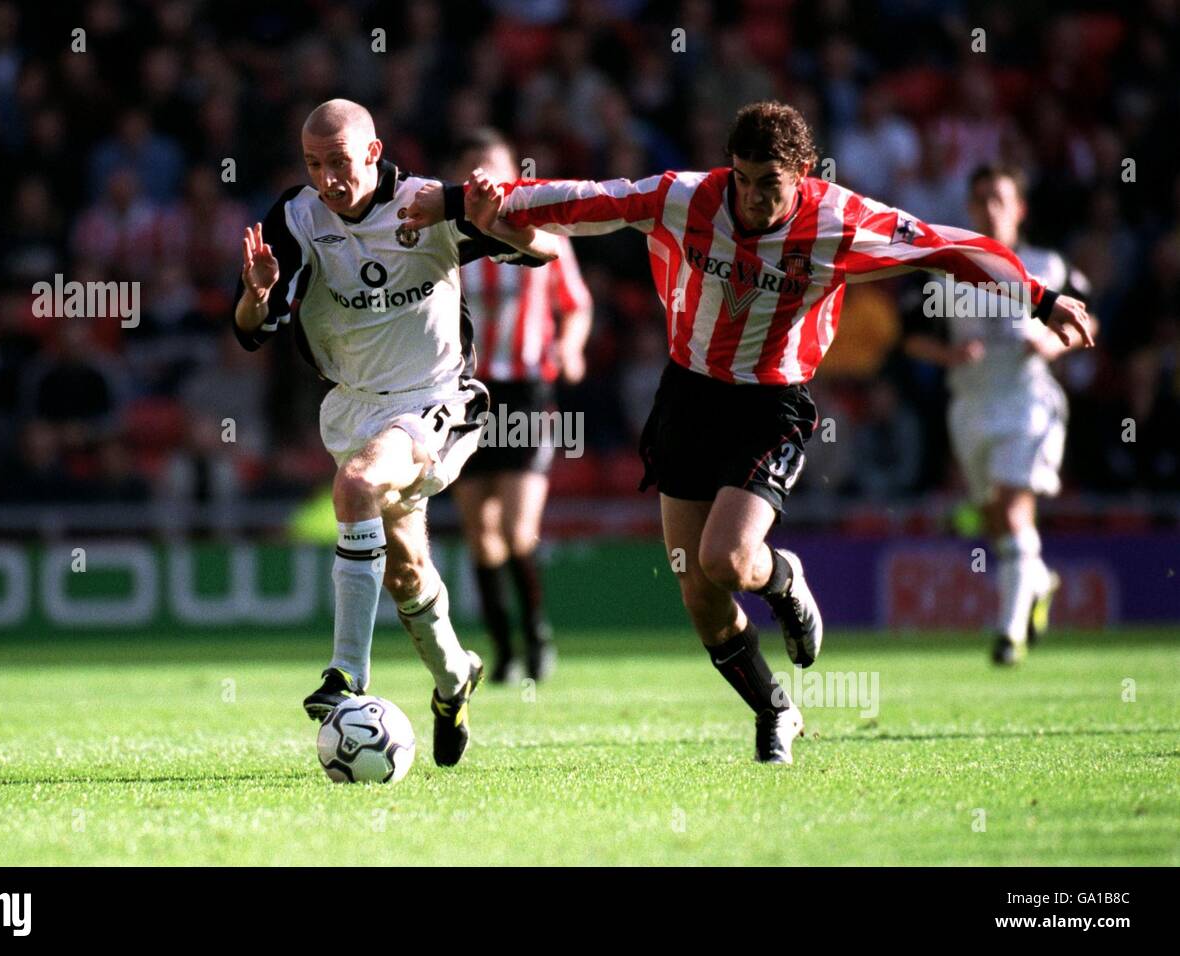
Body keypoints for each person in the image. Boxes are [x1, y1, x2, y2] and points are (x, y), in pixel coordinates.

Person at [408, 100, 1093, 764]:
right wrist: (453, 201)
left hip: (771, 404)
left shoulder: (839, 219)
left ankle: (783, 576)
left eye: (770, 185)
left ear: (803, 176)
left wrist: (1042, 297)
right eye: (743, 179)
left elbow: (950, 248)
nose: (754, 198)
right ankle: (775, 710)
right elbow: (591, 198)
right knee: (696, 589)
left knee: (728, 560)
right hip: (687, 396)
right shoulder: (686, 197)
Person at [234, 99, 556, 767]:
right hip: (355, 406)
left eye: (341, 163)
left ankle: (346, 672)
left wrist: (501, 224)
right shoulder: (296, 218)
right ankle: (453, 678)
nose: (328, 179)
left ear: (374, 155)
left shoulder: (426, 205)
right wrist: (257, 298)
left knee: (354, 489)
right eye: (315, 165)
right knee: (406, 571)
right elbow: (253, 333)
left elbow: (545, 250)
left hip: (436, 401)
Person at [903, 164, 1095, 665]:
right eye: (981, 198)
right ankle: (1036, 580)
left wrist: (1050, 343)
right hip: (970, 407)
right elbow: (908, 336)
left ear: (1019, 208)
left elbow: (1087, 316)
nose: (990, 208)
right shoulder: (949, 267)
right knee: (995, 521)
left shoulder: (1046, 266)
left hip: (1028, 402)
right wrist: (949, 356)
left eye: (1000, 199)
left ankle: (1010, 634)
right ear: (968, 207)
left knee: (1013, 509)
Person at [448, 129, 593, 683]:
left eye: (497, 169)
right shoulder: (450, 240)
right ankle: (503, 650)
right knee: (478, 532)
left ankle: (537, 638)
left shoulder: (544, 233)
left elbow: (576, 304)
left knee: (515, 526)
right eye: (475, 171)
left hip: (528, 390)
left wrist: (570, 346)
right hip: (466, 393)